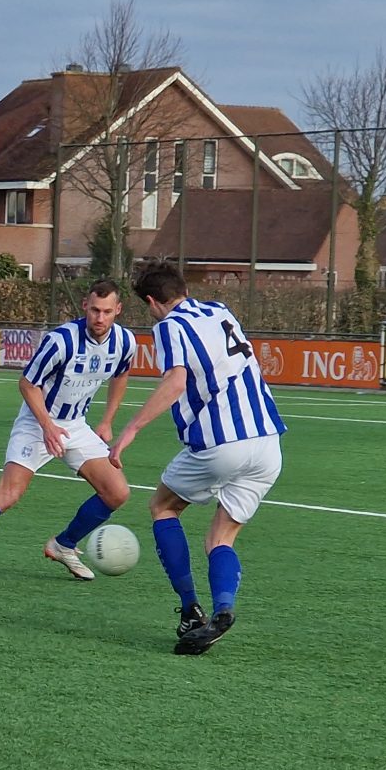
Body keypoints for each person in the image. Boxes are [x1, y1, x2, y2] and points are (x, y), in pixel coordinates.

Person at [108, 260, 286, 655]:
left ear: (153, 302)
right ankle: (223, 609)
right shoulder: (221, 310)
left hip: (222, 441)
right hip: (269, 442)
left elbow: (176, 379)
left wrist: (131, 429)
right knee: (220, 537)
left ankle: (190, 609)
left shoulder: (168, 325)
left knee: (162, 507)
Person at [0, 278, 136, 587]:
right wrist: (48, 427)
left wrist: (107, 421)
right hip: (37, 424)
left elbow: (122, 374)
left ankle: (63, 545)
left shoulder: (125, 342)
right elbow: (27, 383)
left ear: (118, 310)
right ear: (84, 307)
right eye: (94, 311)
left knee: (117, 492)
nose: (99, 319)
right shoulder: (62, 340)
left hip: (75, 425)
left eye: (106, 311)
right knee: (9, 494)